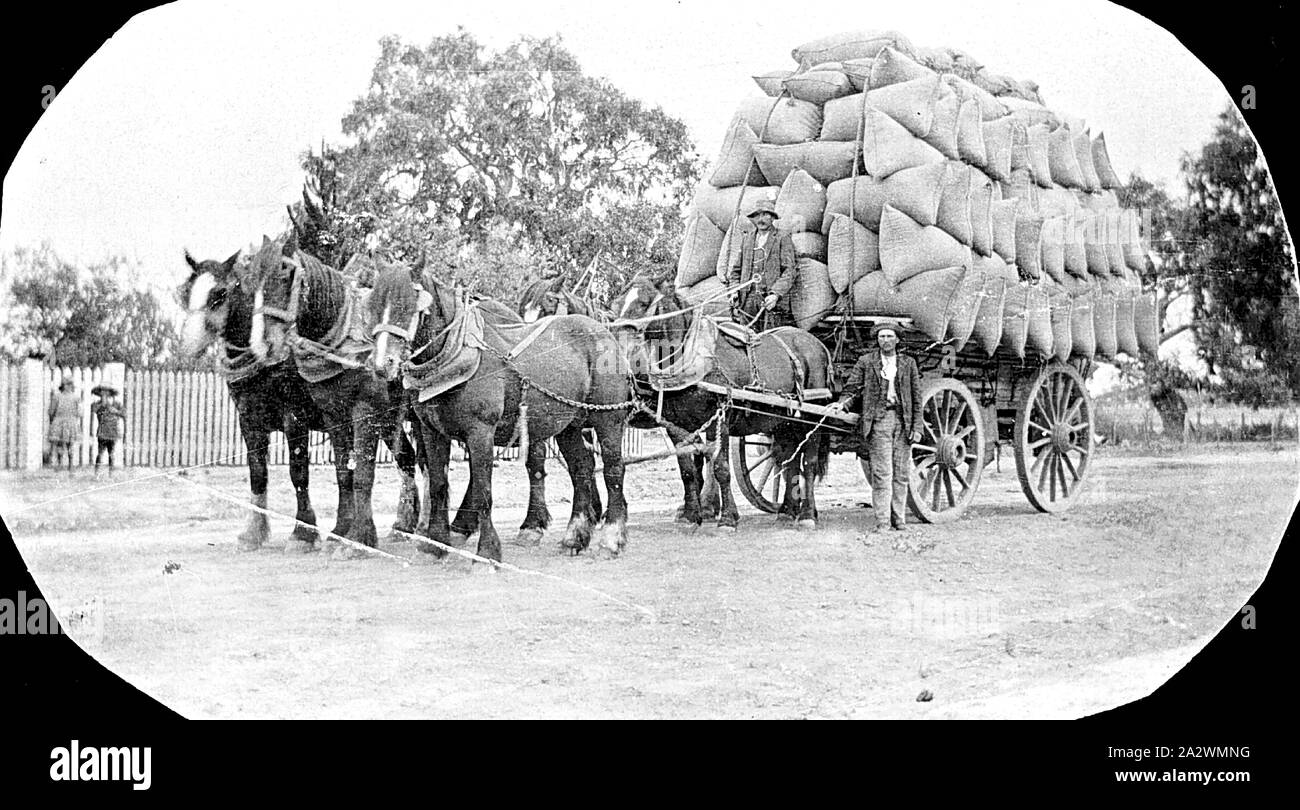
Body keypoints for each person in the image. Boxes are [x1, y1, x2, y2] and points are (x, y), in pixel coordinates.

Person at [827, 324, 924, 532]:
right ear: (877, 340)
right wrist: (842, 404)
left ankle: (899, 520)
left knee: (901, 475)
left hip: (903, 423)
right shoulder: (867, 362)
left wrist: (917, 427)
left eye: (890, 336)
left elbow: (917, 398)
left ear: (897, 340)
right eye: (881, 337)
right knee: (882, 474)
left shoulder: (908, 364)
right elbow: (853, 388)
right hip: (879, 422)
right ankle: (883, 521)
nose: (885, 340)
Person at [727, 195, 796, 331]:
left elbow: (790, 271)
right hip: (747, 301)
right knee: (746, 341)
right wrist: (734, 291)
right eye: (757, 215)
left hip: (770, 302)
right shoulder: (747, 239)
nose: (761, 219)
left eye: (765, 215)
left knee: (769, 344)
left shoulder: (782, 237)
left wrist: (775, 294)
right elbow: (736, 271)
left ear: (772, 218)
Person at [47, 377, 81, 473]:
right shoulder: (57, 397)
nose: (68, 387)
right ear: (63, 386)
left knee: (70, 444)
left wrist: (74, 417)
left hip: (69, 421)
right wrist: (53, 420)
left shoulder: (76, 397)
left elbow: (79, 412)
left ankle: (70, 465)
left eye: (69, 385)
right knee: (59, 444)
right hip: (60, 421)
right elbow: (51, 411)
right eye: (66, 385)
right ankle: (59, 463)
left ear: (71, 386)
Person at [92, 387, 125, 477]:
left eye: (107, 392)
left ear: (110, 393)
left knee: (111, 453)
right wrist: (102, 404)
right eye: (102, 393)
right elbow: (94, 410)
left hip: (113, 431)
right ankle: (97, 473)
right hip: (102, 432)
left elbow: (124, 414)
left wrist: (116, 411)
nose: (105, 394)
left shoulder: (117, 404)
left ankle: (111, 473)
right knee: (100, 453)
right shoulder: (97, 404)